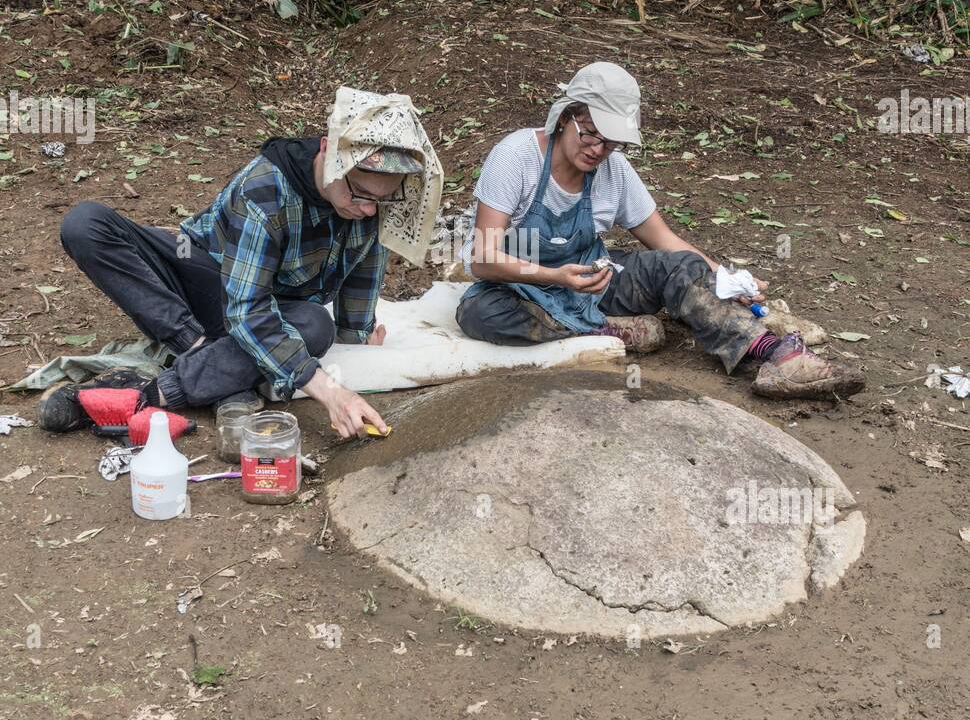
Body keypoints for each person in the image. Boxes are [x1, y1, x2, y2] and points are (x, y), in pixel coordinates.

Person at [40, 87, 443, 439]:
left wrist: (356, 341)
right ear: (328, 151)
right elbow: (245, 310)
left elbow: (361, 277)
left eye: (381, 200)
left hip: (277, 307)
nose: (369, 209)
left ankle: (154, 392)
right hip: (205, 275)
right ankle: (199, 349)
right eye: (360, 194)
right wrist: (330, 392)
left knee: (313, 325)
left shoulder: (372, 204)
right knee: (86, 224)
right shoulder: (266, 188)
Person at [456, 61, 864, 400]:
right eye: (591, 134)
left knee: (678, 266)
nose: (598, 150)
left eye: (611, 142)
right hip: (521, 284)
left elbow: (665, 241)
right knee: (480, 313)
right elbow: (482, 259)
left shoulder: (614, 170)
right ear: (565, 117)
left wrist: (726, 279)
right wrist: (554, 276)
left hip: (592, 277)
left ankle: (776, 354)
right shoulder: (515, 156)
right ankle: (604, 329)